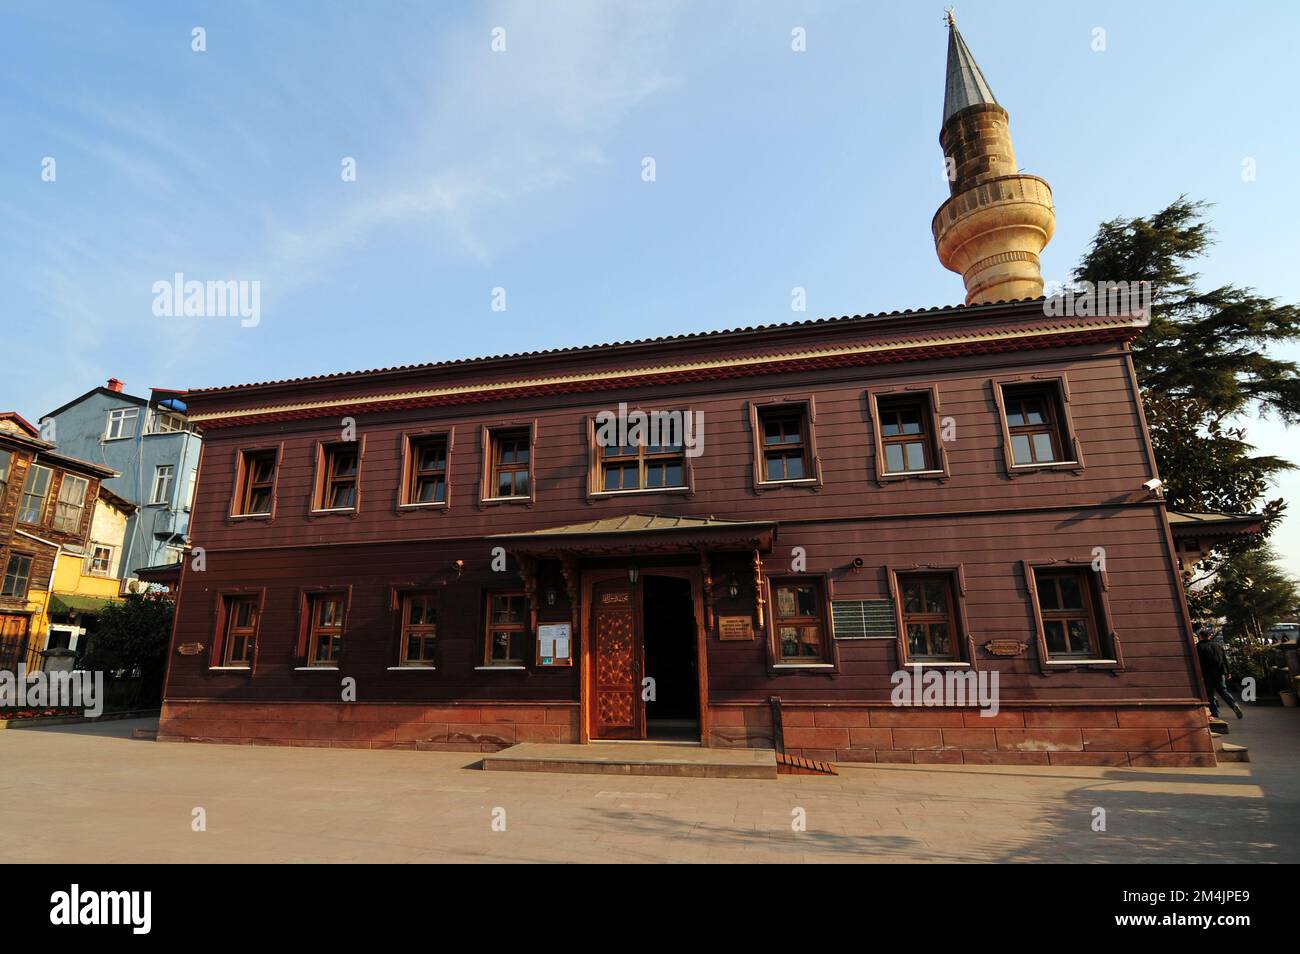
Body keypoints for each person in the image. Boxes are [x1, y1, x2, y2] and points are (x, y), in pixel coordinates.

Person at [1196, 630, 1243, 719]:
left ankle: (1215, 712)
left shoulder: (1199, 647)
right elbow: (1225, 659)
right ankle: (1234, 705)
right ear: (1209, 636)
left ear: (1200, 637)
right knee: (1223, 691)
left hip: (1207, 673)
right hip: (1220, 673)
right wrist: (1228, 672)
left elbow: (1199, 661)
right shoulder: (1218, 646)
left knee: (1210, 694)